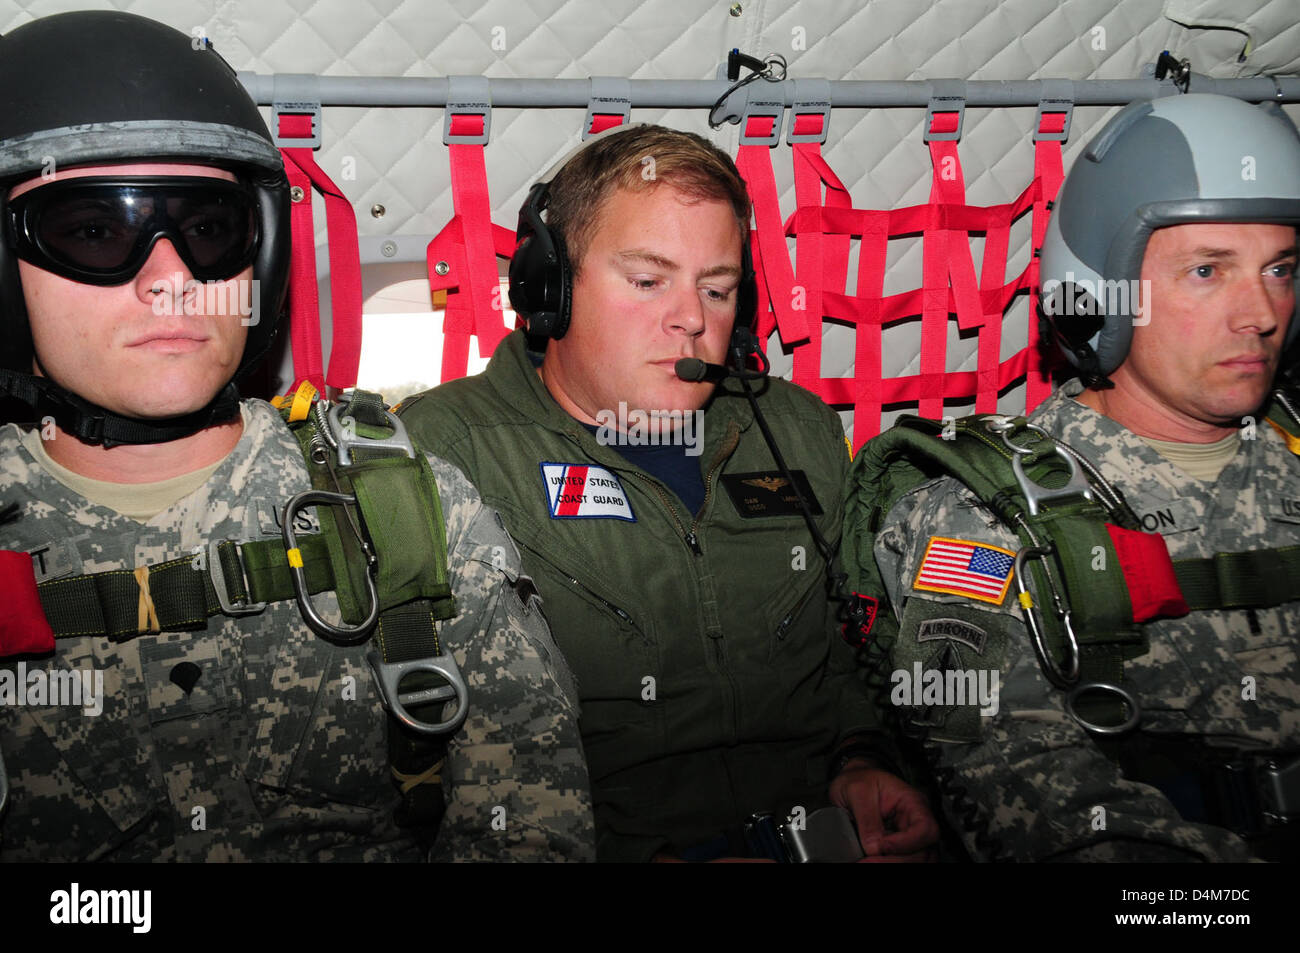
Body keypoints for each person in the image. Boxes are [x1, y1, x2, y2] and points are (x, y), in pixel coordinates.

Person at [0, 11, 593, 862]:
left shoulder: (395, 507)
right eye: (93, 230)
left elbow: (534, 819)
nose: (173, 283)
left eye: (209, 229)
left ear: (261, 254)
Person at [397, 123, 938, 862]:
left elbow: (842, 651)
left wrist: (860, 760)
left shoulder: (797, 430)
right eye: (650, 280)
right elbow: (421, 753)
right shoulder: (446, 454)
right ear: (548, 287)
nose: (692, 318)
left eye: (717, 288)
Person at [851, 93, 1300, 861]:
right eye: (1206, 270)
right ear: (1098, 293)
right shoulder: (985, 513)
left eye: (1281, 268)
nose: (1259, 311)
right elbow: (1022, 789)